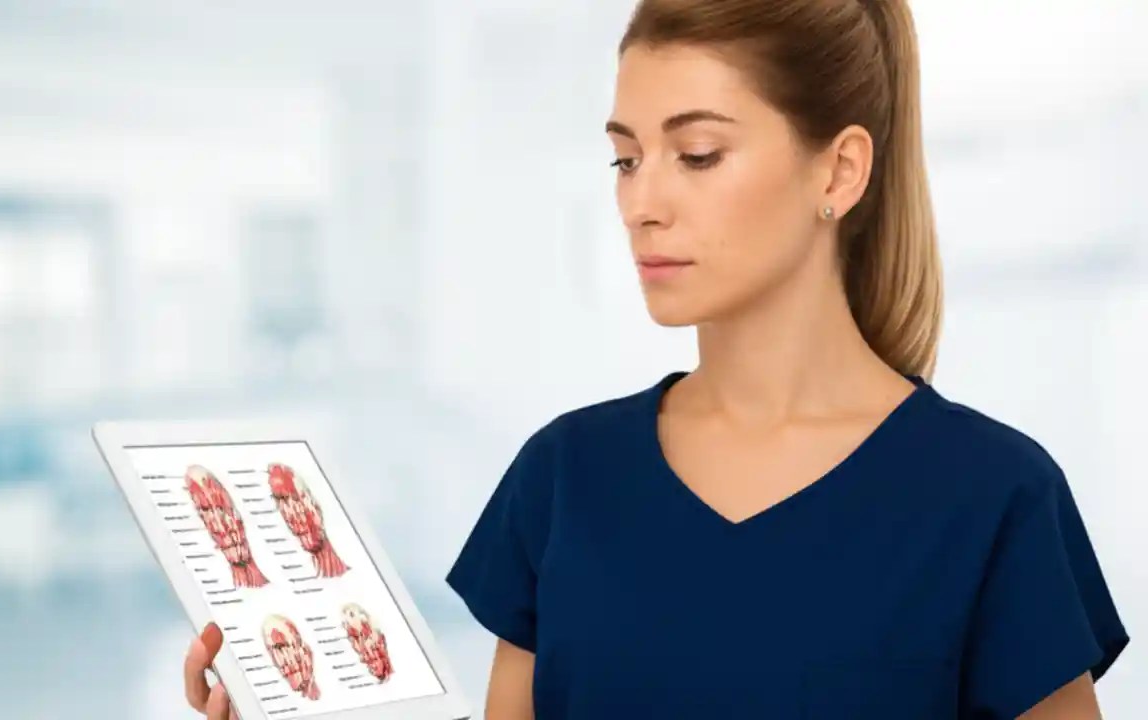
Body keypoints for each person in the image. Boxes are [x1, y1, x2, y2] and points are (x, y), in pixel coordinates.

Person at [182, 0, 1129, 717]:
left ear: (839, 171)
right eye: (626, 159)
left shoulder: (992, 499)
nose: (641, 204)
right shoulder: (566, 478)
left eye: (699, 154)